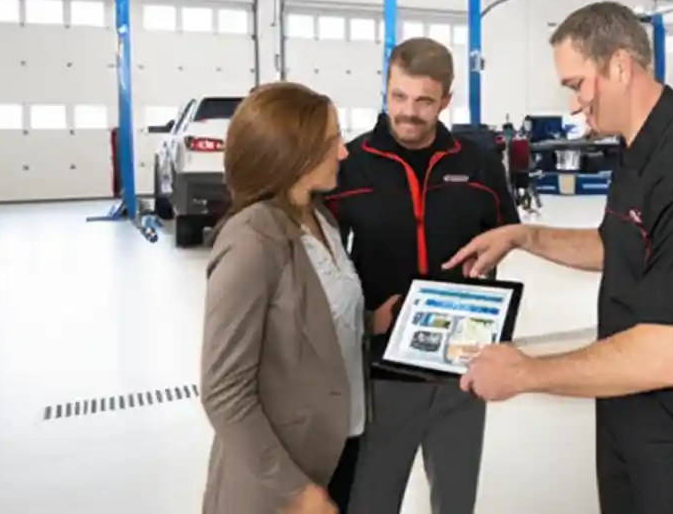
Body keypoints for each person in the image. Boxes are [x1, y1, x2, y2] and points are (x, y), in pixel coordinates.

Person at [445, 2, 673, 514]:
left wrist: (525, 373)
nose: (574, 104)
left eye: (576, 84)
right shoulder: (636, 149)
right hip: (624, 402)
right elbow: (618, 247)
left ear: (619, 66)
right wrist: (524, 236)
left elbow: (664, 354)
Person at [324, 38, 519, 514]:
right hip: (381, 371)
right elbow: (322, 260)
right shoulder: (351, 165)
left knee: (455, 501)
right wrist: (365, 320)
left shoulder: (477, 164)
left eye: (424, 101)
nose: (408, 113)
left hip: (462, 367)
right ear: (386, 90)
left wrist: (491, 262)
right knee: (371, 498)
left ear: (446, 100)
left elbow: (505, 234)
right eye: (398, 97)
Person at [199, 82, 371, 514]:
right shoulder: (251, 240)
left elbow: (310, 319)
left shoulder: (320, 218)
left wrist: (374, 323)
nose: (345, 152)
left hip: (338, 447)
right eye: (333, 141)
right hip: (279, 474)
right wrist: (294, 491)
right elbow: (223, 391)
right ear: (293, 153)